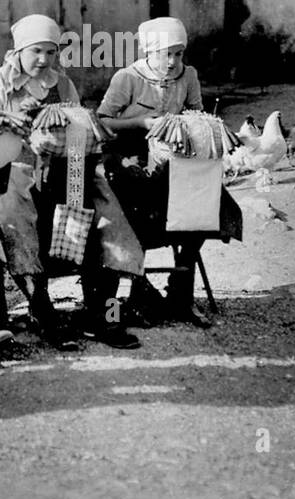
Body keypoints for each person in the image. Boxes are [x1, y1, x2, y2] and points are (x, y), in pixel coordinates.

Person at [0, 14, 143, 350]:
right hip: (14, 170)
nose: (44, 60)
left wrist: (68, 142)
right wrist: (25, 139)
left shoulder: (62, 84)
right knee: (19, 221)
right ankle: (43, 312)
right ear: (19, 49)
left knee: (109, 222)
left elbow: (79, 128)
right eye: (36, 51)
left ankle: (104, 317)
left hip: (69, 169)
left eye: (51, 53)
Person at [97, 17, 242, 327]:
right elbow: (102, 122)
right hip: (129, 153)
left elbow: (196, 112)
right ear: (150, 51)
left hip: (174, 153)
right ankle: (139, 289)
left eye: (179, 53)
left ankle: (180, 291)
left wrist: (201, 128)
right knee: (139, 210)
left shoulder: (188, 75)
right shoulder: (128, 78)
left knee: (206, 204)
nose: (174, 61)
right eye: (167, 54)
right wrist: (141, 123)